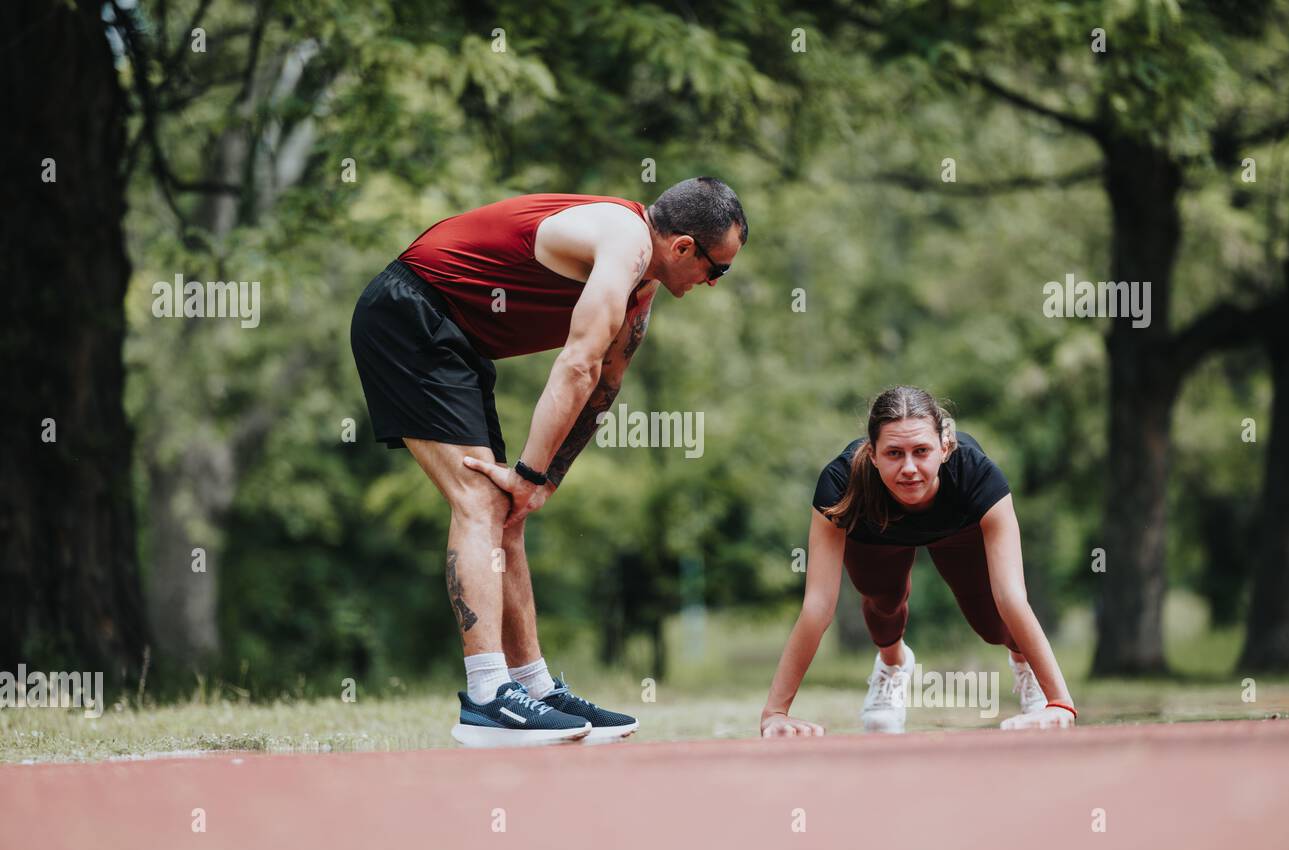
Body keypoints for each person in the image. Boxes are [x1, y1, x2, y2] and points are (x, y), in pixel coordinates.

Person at [350, 178, 747, 745]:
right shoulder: (625, 242)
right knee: (481, 501)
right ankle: (487, 697)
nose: (712, 283)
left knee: (507, 512)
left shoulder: (643, 285)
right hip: (409, 312)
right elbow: (578, 364)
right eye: (718, 269)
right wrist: (529, 473)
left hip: (457, 337)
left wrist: (542, 482)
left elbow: (606, 385)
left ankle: (531, 687)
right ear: (683, 246)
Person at [760, 385, 1077, 737]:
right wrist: (775, 713)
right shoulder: (841, 483)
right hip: (876, 530)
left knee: (991, 621)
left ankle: (1025, 666)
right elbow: (817, 606)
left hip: (959, 529)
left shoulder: (978, 475)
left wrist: (1060, 704)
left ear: (945, 448)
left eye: (921, 451)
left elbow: (1011, 597)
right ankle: (893, 665)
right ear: (873, 453)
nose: (909, 467)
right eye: (894, 453)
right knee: (883, 604)